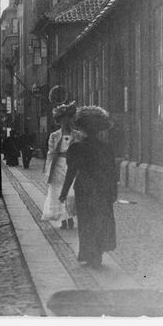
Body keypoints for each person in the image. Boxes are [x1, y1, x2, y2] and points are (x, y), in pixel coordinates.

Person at [59, 106, 118, 268]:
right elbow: (113, 172)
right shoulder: (107, 148)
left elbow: (71, 172)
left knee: (86, 221)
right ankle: (97, 254)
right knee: (100, 220)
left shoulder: (77, 148)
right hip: (102, 188)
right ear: (100, 129)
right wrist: (114, 192)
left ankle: (88, 253)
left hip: (84, 188)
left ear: (82, 128)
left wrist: (64, 192)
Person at [42, 99, 79, 229]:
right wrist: (48, 170)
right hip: (58, 166)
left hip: (72, 166)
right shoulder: (54, 136)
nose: (66, 122)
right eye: (63, 119)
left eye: (68, 119)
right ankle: (64, 220)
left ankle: (70, 218)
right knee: (59, 192)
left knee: (71, 192)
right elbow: (50, 153)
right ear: (60, 121)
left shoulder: (77, 135)